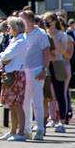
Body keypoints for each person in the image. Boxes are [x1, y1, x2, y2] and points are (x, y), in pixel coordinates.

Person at [0, 16, 30, 141]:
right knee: (11, 104)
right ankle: (12, 131)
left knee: (17, 104)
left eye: (10, 26)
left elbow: (6, 55)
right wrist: (3, 57)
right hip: (11, 73)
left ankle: (21, 133)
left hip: (17, 74)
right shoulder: (15, 39)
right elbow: (4, 56)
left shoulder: (21, 41)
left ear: (16, 28)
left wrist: (3, 57)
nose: (8, 28)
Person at [20, 9, 51, 140]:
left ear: (31, 21)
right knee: (25, 102)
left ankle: (40, 129)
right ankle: (26, 129)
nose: (21, 22)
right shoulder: (21, 34)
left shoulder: (40, 33)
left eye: (23, 20)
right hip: (23, 71)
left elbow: (46, 51)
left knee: (37, 100)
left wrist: (44, 69)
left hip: (37, 69)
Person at [45, 13, 73, 133]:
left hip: (58, 64)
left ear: (54, 21)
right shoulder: (43, 34)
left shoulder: (62, 35)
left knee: (60, 94)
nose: (46, 23)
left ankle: (61, 121)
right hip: (46, 65)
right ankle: (50, 119)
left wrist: (53, 37)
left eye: (48, 21)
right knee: (49, 95)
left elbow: (62, 51)